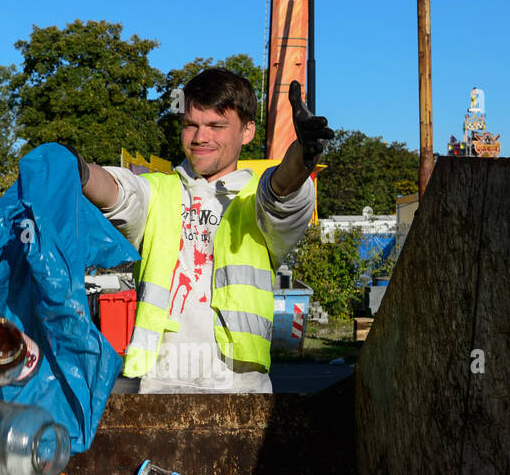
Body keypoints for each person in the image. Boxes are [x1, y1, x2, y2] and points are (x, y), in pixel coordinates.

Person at [74, 68, 333, 393]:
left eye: (216, 126)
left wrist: (304, 153)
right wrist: (80, 169)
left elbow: (283, 188)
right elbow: (118, 192)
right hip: (161, 388)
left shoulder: (258, 200)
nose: (200, 137)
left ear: (248, 131)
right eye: (191, 125)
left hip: (241, 392)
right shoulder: (158, 191)